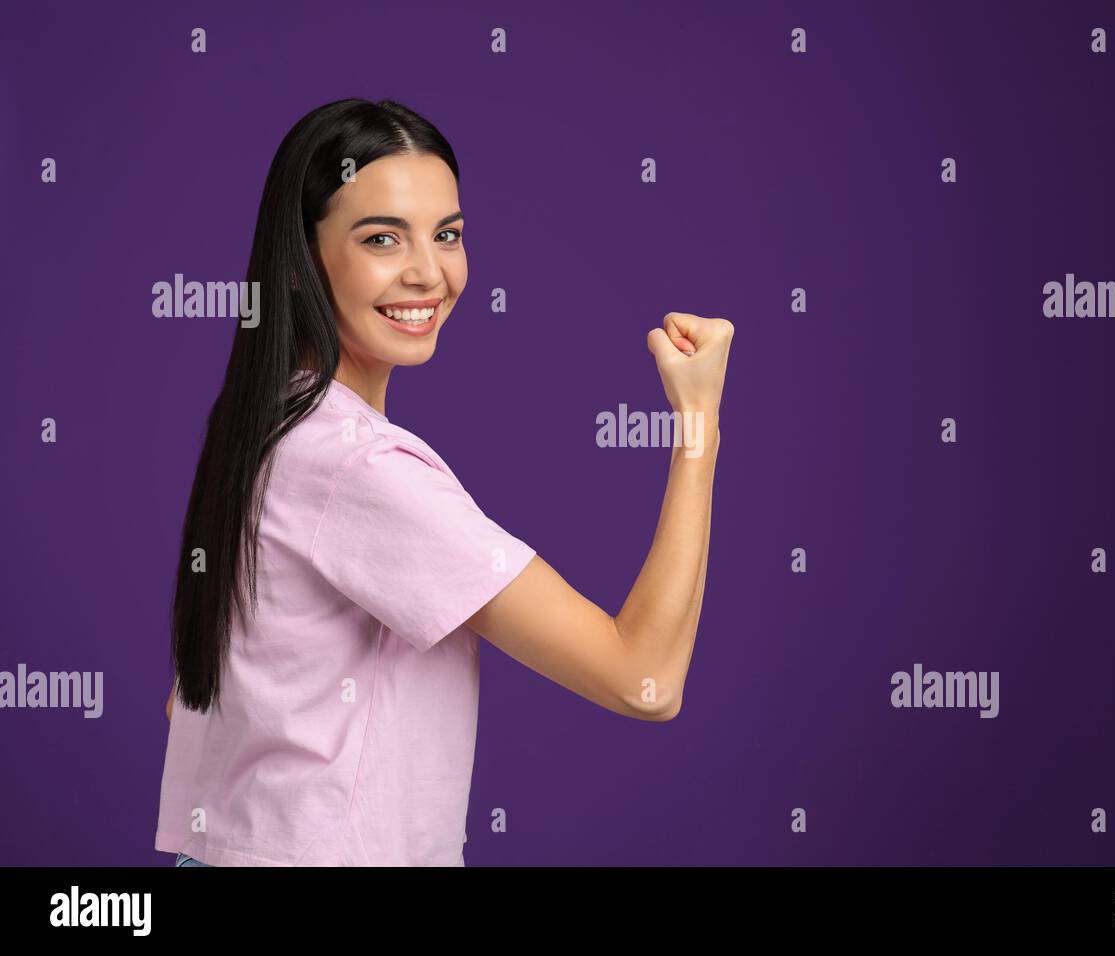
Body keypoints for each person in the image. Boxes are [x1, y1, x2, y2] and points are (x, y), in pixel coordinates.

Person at [156, 98, 732, 867]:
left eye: (448, 234)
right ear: (301, 261)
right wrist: (697, 427)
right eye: (382, 238)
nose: (429, 272)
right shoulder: (361, 469)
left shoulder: (262, 429)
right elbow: (644, 678)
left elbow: (192, 701)